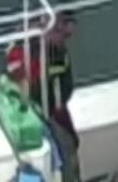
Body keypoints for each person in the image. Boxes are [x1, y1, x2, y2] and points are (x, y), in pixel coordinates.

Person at [6, 11, 78, 143]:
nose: (65, 35)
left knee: (70, 141)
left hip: (53, 109)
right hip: (36, 111)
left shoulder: (58, 54)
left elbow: (61, 88)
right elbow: (16, 74)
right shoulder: (23, 49)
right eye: (59, 30)